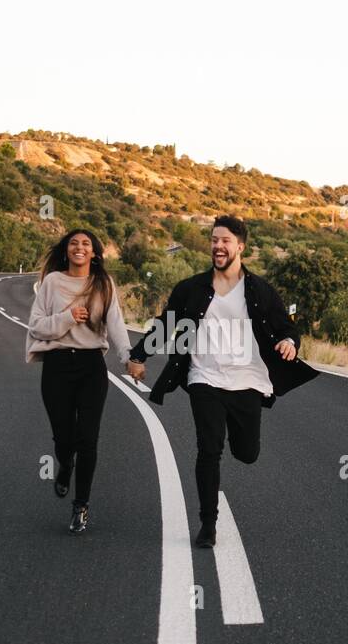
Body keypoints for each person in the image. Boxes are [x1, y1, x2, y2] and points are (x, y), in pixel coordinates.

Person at [127, 214, 318, 547]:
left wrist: (290, 343)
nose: (218, 246)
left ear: (240, 246)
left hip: (247, 381)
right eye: (214, 239)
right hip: (204, 377)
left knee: (247, 453)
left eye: (225, 240)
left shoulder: (259, 290)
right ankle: (208, 524)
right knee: (208, 450)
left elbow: (287, 328)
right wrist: (138, 355)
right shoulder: (192, 289)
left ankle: (236, 437)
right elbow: (166, 324)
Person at [26, 229, 131, 534]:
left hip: (90, 367)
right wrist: (68, 317)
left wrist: (128, 359)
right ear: (66, 250)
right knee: (64, 438)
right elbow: (36, 328)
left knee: (88, 439)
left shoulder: (103, 284)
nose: (79, 247)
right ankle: (65, 465)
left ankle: (81, 505)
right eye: (74, 243)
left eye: (86, 244)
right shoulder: (51, 282)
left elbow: (117, 326)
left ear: (95, 253)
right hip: (57, 365)